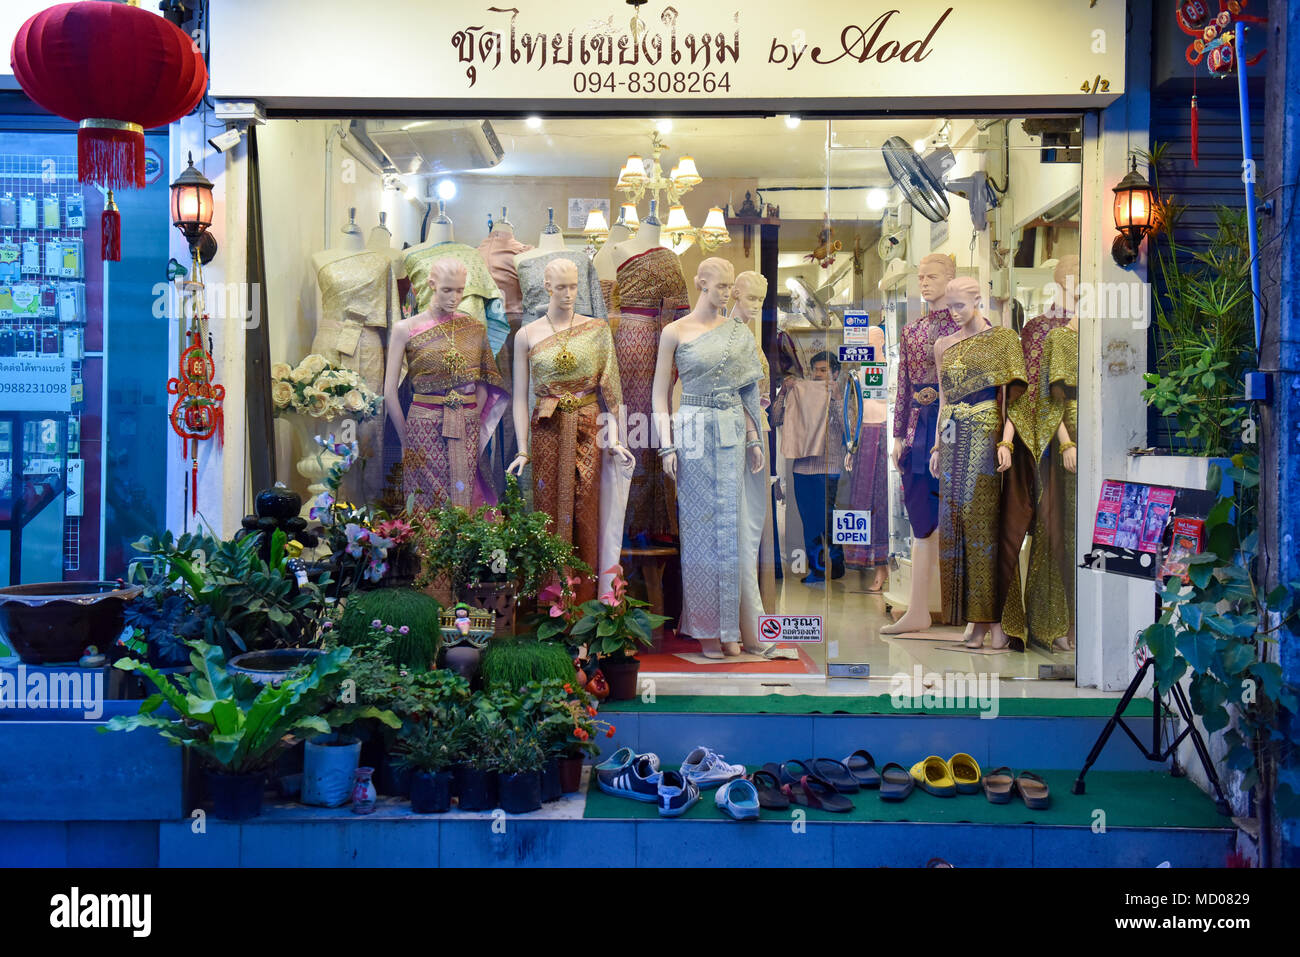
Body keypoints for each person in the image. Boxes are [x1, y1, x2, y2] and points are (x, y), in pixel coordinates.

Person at [654, 261, 771, 659]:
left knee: (731, 527)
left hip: (732, 428)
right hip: (692, 427)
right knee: (699, 530)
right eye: (719, 286)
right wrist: (666, 445)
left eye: (729, 287)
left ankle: (731, 628)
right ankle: (706, 629)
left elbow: (746, 391)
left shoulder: (737, 333)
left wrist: (754, 438)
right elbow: (658, 395)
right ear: (700, 283)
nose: (726, 294)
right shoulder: (675, 331)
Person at [772, 350, 846, 584]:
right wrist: (784, 392)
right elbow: (774, 420)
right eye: (815, 370)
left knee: (829, 519)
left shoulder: (843, 396)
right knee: (810, 521)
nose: (817, 375)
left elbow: (851, 429)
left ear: (835, 373)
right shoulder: (801, 394)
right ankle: (817, 569)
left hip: (830, 466)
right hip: (802, 467)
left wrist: (836, 399)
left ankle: (837, 563)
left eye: (823, 370)